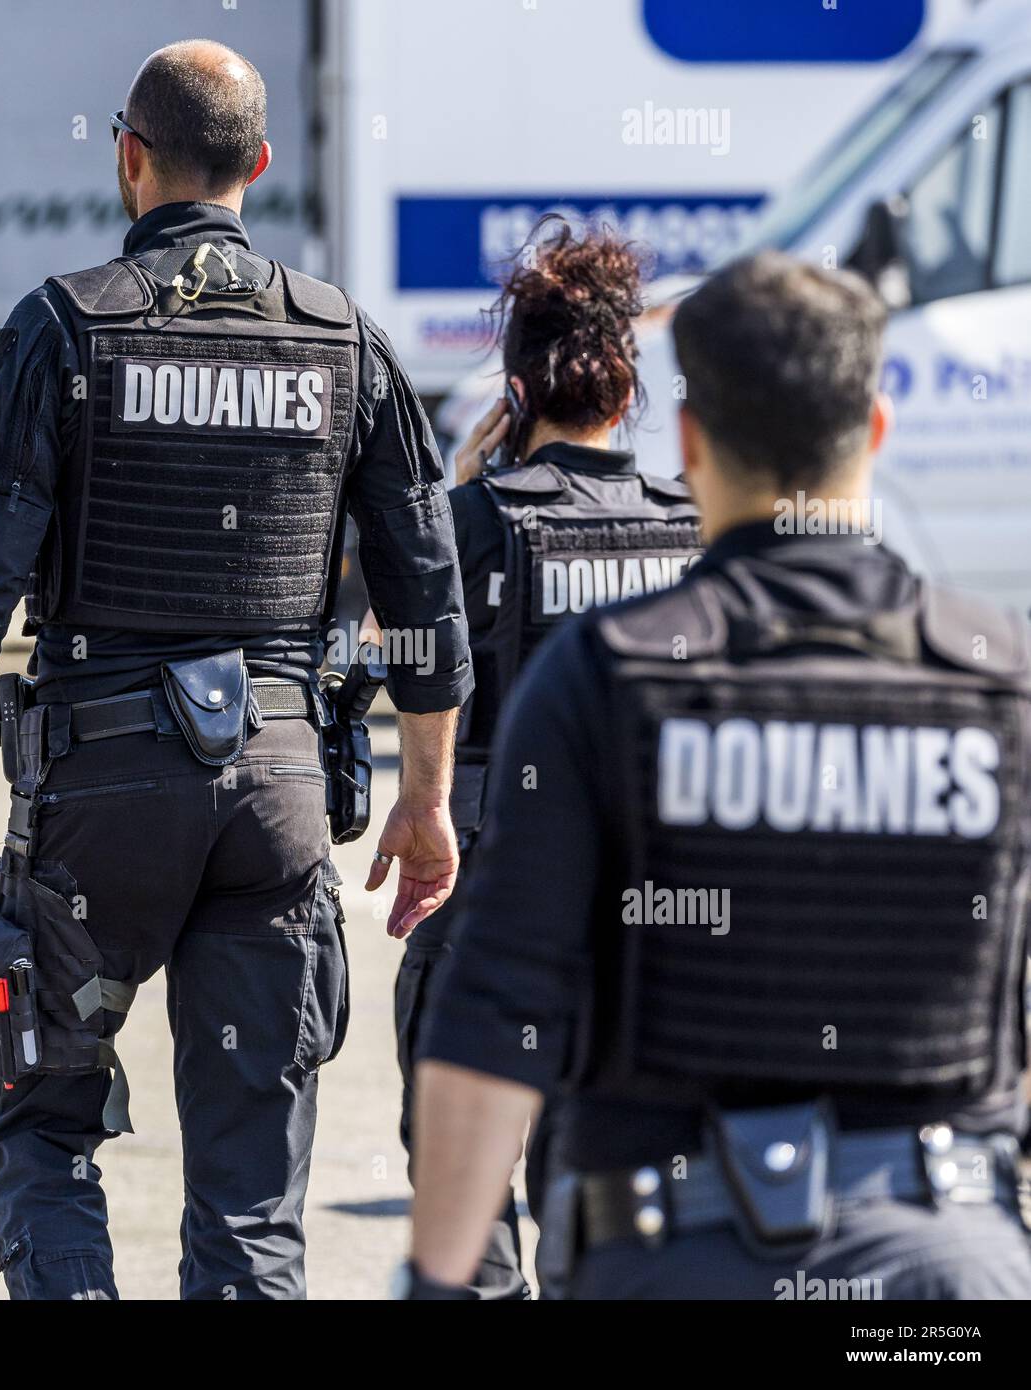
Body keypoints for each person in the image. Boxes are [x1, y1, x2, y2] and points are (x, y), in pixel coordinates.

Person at [0, 39, 471, 1301]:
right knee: (251, 1194)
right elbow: (429, 598)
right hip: (282, 797)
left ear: (129, 156)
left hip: (102, 794)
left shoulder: (60, 328)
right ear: (262, 166)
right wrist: (424, 796)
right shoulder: (345, 343)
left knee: (38, 1116)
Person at [405, 251, 1031, 1300]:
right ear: (874, 427)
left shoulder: (605, 676)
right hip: (944, 1280)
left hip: (677, 1261)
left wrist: (433, 1282)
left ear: (689, 444)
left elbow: (497, 1013)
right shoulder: (996, 676)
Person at [389, 225, 700, 1298]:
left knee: (463, 1203)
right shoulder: (692, 532)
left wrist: (471, 483)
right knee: (610, 1200)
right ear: (628, 385)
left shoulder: (470, 520)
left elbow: (400, 672)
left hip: (486, 904)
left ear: (515, 385)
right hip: (650, 924)